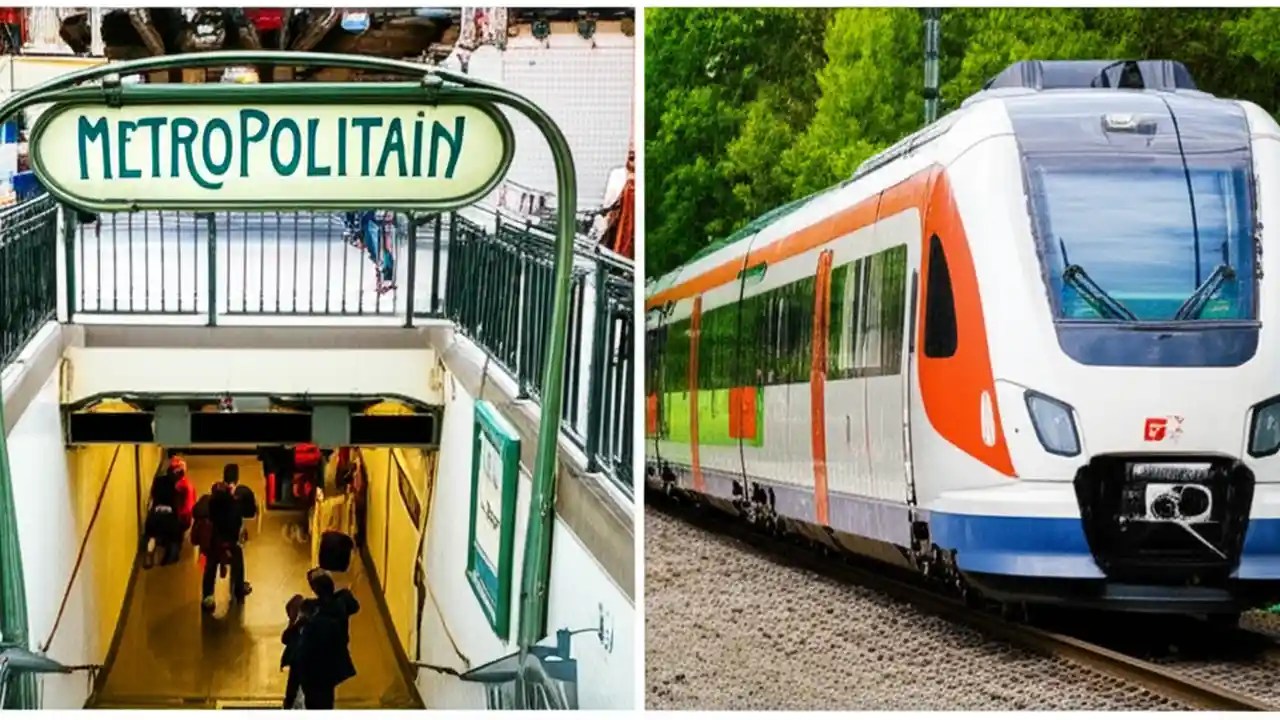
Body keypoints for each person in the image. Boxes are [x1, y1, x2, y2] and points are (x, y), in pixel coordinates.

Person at [289, 568, 360, 709]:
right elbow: (354, 605)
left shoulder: (309, 611)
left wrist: (294, 621)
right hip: (330, 665)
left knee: (313, 703)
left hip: (311, 669)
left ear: (315, 589)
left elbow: (289, 639)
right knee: (327, 701)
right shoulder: (341, 604)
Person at [194, 463, 257, 610]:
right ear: (237, 477)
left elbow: (200, 510)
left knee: (210, 567)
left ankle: (208, 597)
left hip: (215, 539)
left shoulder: (213, 497)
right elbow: (250, 512)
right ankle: (239, 588)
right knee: (238, 561)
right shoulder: (240, 497)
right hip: (231, 540)